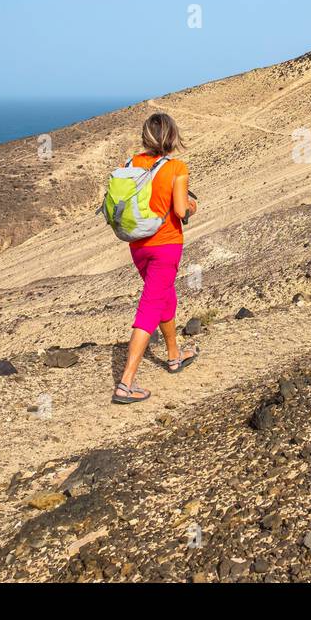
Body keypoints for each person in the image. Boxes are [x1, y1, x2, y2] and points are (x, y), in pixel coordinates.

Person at [113, 112, 198, 404]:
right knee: (150, 306)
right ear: (172, 137)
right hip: (165, 245)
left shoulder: (130, 164)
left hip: (138, 245)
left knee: (165, 297)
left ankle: (174, 356)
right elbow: (180, 211)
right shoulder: (177, 167)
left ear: (146, 137)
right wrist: (192, 205)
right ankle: (126, 383)